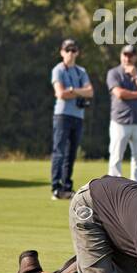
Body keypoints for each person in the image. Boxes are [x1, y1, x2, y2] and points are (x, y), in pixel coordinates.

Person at [49, 38, 93, 201]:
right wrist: (79, 91)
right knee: (59, 152)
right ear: (61, 52)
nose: (70, 53)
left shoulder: (81, 71)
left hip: (77, 116)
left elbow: (90, 92)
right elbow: (60, 93)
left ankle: (67, 186)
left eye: (73, 50)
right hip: (62, 116)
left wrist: (72, 90)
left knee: (71, 153)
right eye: (67, 50)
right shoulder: (58, 70)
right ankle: (55, 187)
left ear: (77, 53)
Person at [106, 44, 137, 182]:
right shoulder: (113, 73)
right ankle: (113, 187)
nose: (127, 58)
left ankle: (136, 186)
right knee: (116, 157)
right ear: (121, 56)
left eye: (131, 55)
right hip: (120, 121)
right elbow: (119, 93)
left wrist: (136, 76)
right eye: (125, 55)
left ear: (135, 57)